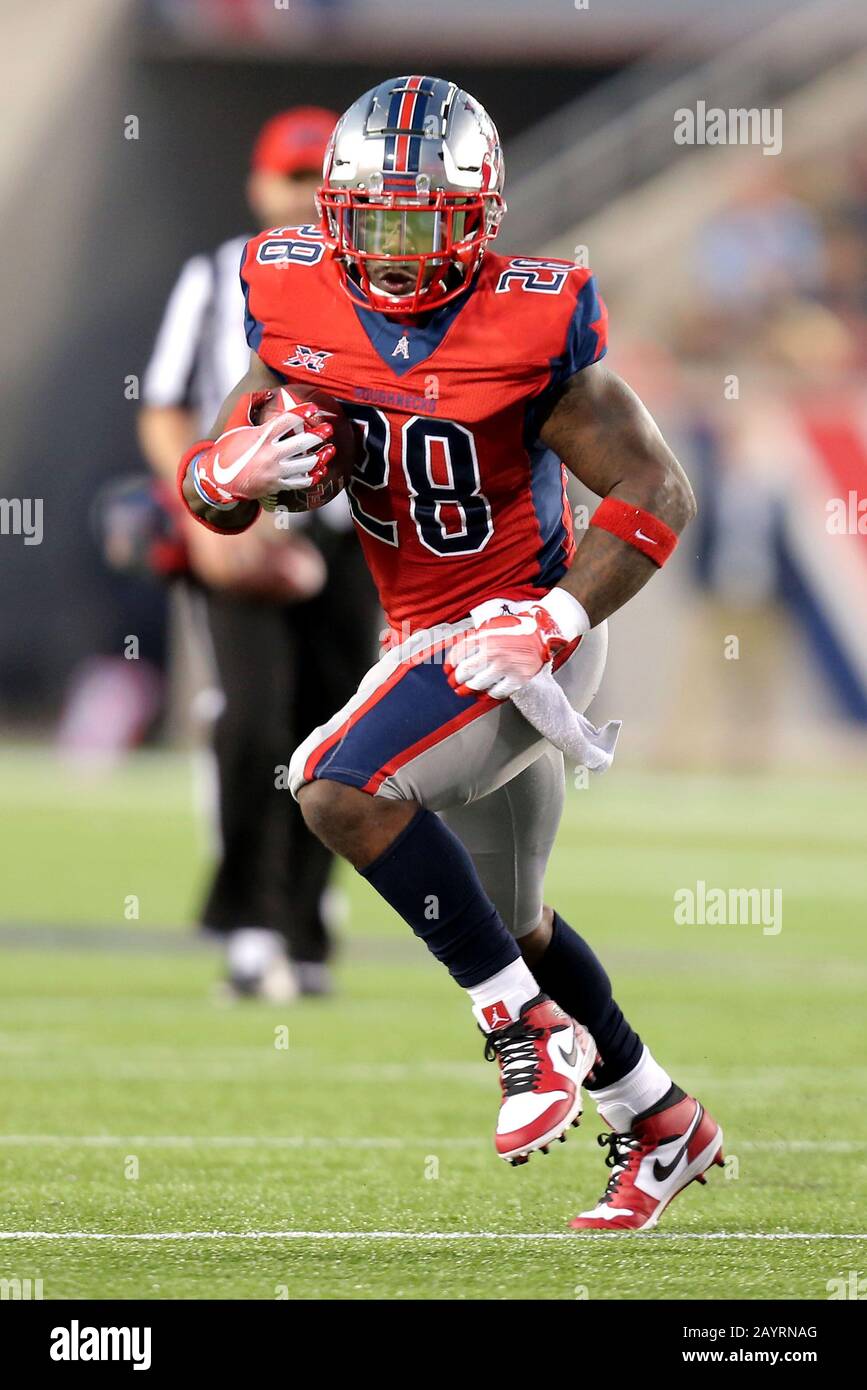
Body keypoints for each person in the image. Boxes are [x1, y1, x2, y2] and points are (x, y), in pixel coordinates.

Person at [175, 75, 723, 1231]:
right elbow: (223, 472)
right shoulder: (294, 296)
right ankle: (659, 1113)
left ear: (476, 221)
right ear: (335, 214)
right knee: (513, 916)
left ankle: (522, 1030)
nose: (394, 247)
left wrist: (562, 618)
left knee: (334, 785)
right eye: (373, 220)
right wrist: (222, 479)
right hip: (427, 637)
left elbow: (655, 486)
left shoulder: (530, 318)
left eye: (421, 222)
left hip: (524, 631)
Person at [138, 107, 378, 1000]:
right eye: (292, 177)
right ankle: (248, 922)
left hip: (353, 533)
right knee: (252, 722)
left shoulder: (381, 276)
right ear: (258, 183)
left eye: (323, 179)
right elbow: (164, 407)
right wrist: (204, 508)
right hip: (238, 530)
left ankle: (307, 924)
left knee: (341, 733)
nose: (306, 196)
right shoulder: (215, 276)